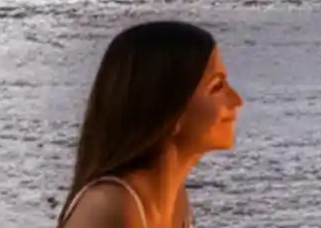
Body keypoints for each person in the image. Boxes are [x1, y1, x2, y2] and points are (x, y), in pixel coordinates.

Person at [57, 21, 244, 228]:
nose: (236, 100)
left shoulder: (174, 197)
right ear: (170, 108)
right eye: (217, 86)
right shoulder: (110, 206)